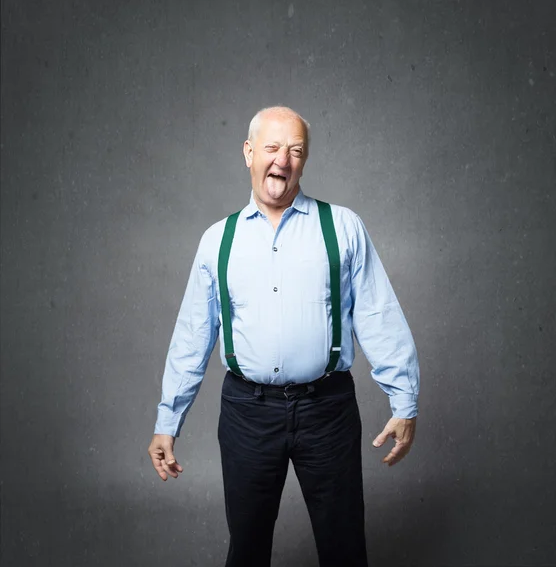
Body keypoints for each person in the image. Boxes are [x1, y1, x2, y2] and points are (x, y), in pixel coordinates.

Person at [148, 106, 420, 567]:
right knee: (247, 550)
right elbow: (193, 336)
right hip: (247, 415)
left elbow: (379, 315)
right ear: (249, 153)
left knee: (345, 549)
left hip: (327, 411)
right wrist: (167, 421)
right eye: (272, 148)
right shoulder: (219, 240)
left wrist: (404, 401)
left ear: (306, 159)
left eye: (295, 150)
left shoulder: (343, 227)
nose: (283, 160)